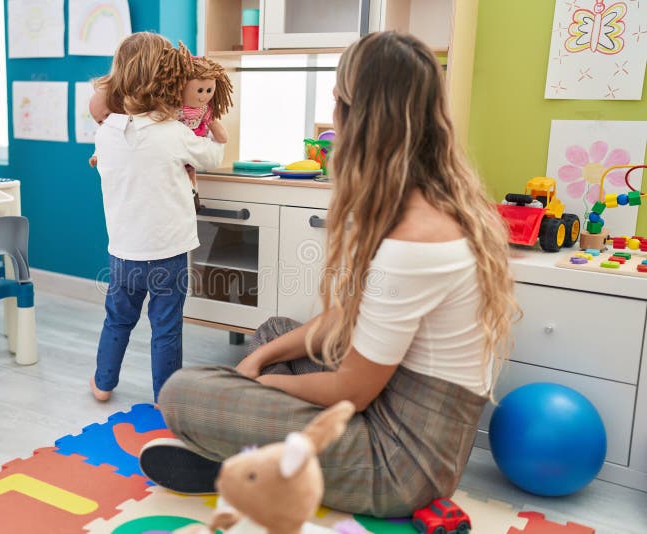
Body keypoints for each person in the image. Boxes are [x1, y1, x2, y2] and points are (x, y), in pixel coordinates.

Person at [139, 31, 518, 517]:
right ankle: (259, 458)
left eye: (337, 101)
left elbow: (351, 392)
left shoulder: (416, 240)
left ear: (358, 119)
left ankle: (246, 465)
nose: (332, 113)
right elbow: (346, 318)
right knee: (275, 333)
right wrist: (259, 364)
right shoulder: (427, 203)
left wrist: (264, 387)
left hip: (398, 465)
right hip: (381, 402)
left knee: (181, 392)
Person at [90, 32, 228, 403]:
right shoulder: (175, 133)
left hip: (124, 252)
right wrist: (216, 133)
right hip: (168, 252)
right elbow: (212, 158)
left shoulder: (105, 134)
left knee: (118, 318)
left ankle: (103, 384)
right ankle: (164, 397)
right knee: (166, 327)